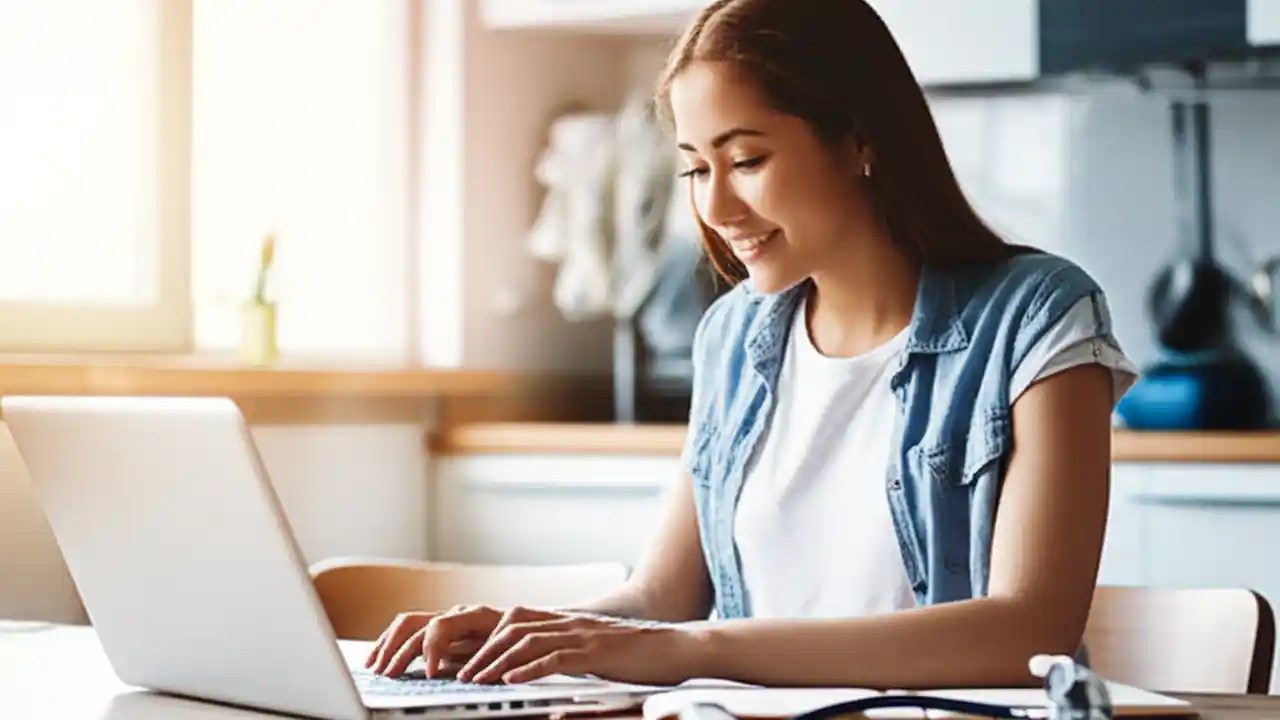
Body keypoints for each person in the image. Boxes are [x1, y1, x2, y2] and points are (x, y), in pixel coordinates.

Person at [366, 0, 1137, 688]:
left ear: (859, 139)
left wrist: (698, 649)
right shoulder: (733, 335)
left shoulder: (1038, 317)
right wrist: (530, 634)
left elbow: (1028, 632)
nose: (717, 206)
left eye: (746, 161)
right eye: (695, 170)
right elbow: (663, 599)